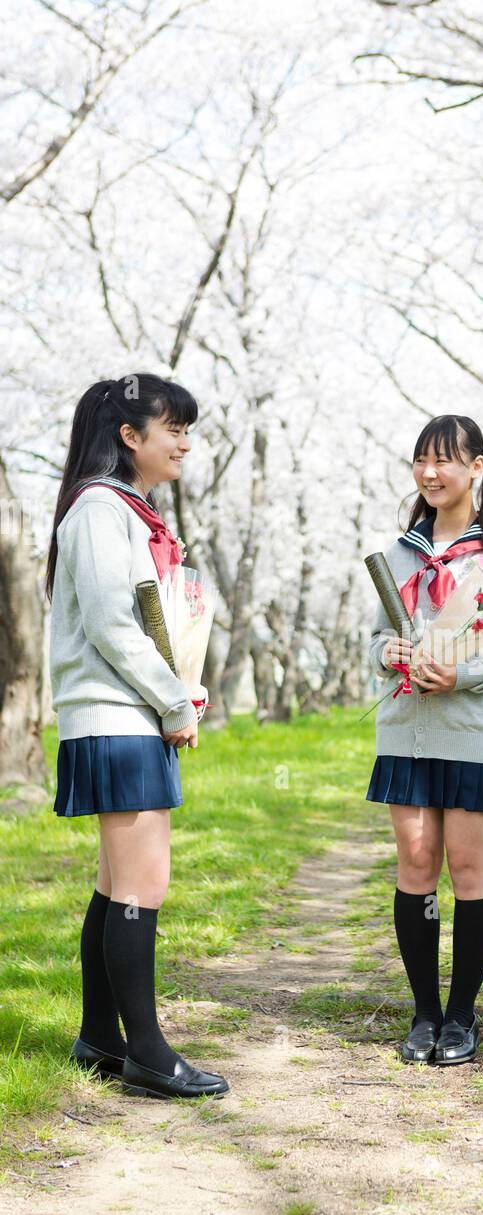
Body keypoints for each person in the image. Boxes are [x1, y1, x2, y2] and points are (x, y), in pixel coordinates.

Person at [46, 373, 228, 1101]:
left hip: (124, 713)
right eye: (172, 428)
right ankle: (148, 1054)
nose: (184, 443)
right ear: (131, 436)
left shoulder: (125, 510)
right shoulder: (99, 510)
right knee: (144, 884)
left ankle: (99, 1037)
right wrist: (170, 698)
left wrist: (179, 683)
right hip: (116, 716)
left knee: (115, 882)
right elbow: (112, 624)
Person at [366, 414, 483, 1065]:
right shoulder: (397, 555)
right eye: (421, 459)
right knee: (416, 868)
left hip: (474, 737)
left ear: (476, 467)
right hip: (406, 735)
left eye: (444, 459)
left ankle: (463, 1017)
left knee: (469, 871)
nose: (430, 473)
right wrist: (387, 652)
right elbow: (371, 641)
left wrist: (467, 674)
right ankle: (424, 1014)